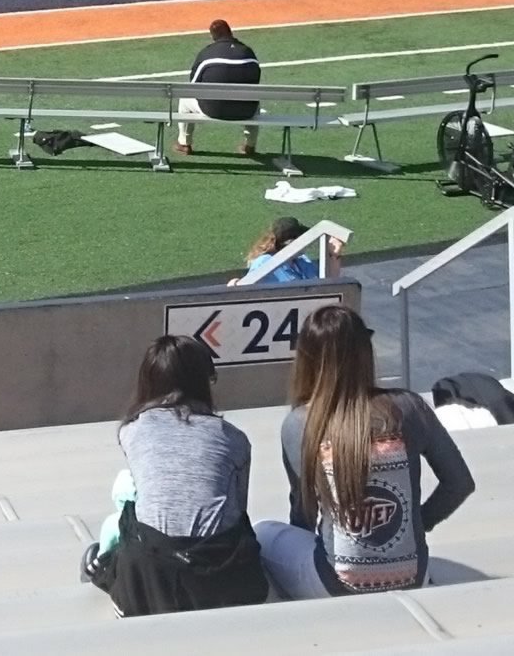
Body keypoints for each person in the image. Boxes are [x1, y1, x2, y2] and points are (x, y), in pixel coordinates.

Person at [257, 305, 474, 598]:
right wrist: (417, 525)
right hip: (414, 577)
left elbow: (304, 513)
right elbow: (460, 482)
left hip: (333, 586)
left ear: (306, 359)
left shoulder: (299, 423)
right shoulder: (409, 407)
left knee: (262, 532)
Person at [83, 336, 266, 614]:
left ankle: (104, 565)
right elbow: (239, 512)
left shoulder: (131, 432)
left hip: (147, 581)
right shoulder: (234, 439)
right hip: (225, 581)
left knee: (126, 489)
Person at [176, 18, 262, 159]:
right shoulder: (248, 53)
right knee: (255, 102)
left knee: (185, 97)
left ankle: (184, 143)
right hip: (246, 110)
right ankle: (250, 145)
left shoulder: (207, 53)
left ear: (213, 36)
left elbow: (193, 84)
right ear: (230, 32)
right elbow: (255, 81)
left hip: (214, 109)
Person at [240, 217, 321, 285]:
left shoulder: (302, 260)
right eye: (302, 237)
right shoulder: (264, 263)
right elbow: (248, 292)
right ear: (290, 242)